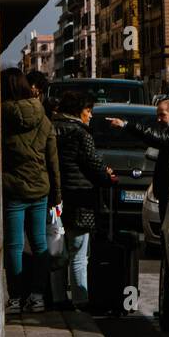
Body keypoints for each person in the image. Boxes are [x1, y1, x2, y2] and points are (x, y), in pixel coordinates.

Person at [2, 66, 62, 313]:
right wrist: (56, 194)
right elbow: (52, 160)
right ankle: (37, 296)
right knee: (39, 244)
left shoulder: (3, 115)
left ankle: (16, 297)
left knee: (14, 245)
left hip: (13, 188)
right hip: (39, 188)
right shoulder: (43, 117)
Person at [50, 91, 117, 309]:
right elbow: (92, 164)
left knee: (57, 250)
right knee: (78, 253)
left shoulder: (50, 127)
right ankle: (80, 300)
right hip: (80, 196)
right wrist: (107, 176)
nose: (90, 116)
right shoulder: (81, 133)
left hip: (54, 197)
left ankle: (58, 298)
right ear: (79, 111)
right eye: (88, 111)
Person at [107, 97, 169, 221]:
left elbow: (157, 137)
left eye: (162, 115)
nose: (158, 119)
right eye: (157, 115)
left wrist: (127, 125)